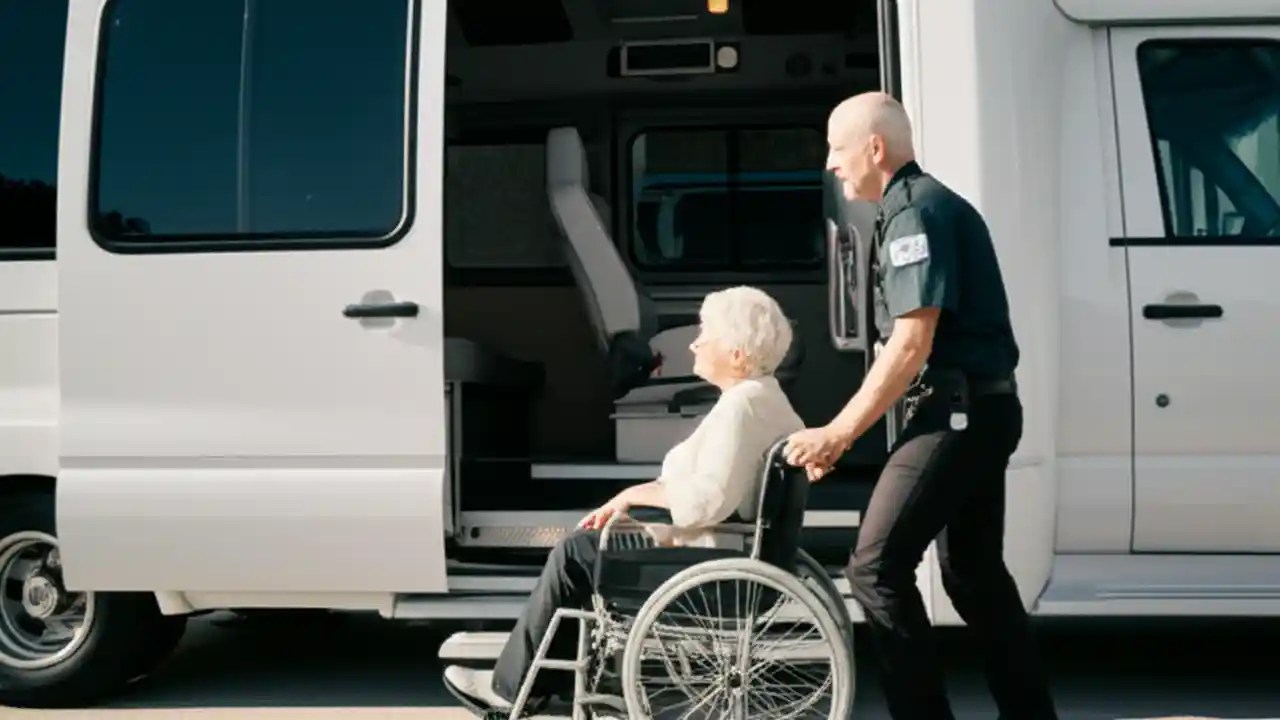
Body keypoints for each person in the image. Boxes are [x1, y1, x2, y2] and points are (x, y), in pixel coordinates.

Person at [784, 91, 1059, 719]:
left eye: (837, 147)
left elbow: (911, 343)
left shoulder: (916, 213)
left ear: (874, 149)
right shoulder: (917, 207)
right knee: (973, 575)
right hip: (980, 411)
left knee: (875, 568)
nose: (830, 163)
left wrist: (839, 433)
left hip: (956, 414)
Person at [444, 285, 805, 716]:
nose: (694, 341)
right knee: (585, 552)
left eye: (706, 332)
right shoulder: (764, 399)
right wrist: (637, 500)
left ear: (738, 355)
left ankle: (511, 691)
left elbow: (703, 505)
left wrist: (634, 496)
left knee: (574, 553)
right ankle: (538, 685)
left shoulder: (741, 407)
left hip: (719, 570)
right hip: (741, 559)